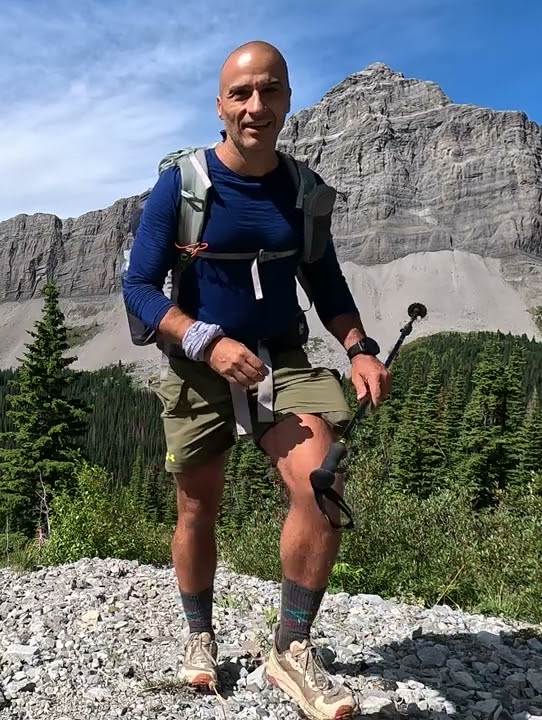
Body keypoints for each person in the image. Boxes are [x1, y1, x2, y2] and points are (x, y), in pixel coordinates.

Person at [121, 40, 390, 720]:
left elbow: (326, 282)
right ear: (220, 105)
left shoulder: (303, 192)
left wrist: (359, 348)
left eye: (269, 90)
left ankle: (291, 649)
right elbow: (139, 289)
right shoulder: (181, 185)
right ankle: (199, 633)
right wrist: (206, 342)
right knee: (197, 507)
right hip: (199, 363)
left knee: (321, 481)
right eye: (241, 93)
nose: (255, 106)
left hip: (281, 360)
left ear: (288, 100)